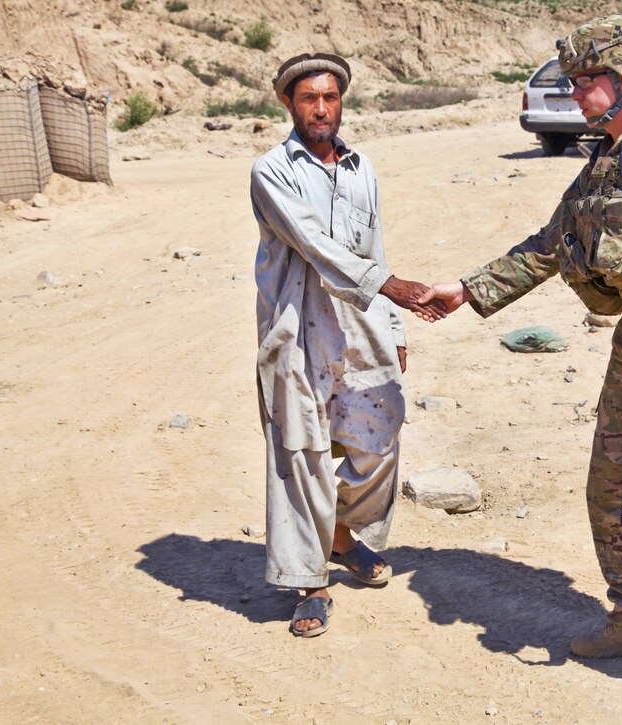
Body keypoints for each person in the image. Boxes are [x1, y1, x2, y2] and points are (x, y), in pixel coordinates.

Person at [420, 13, 622, 724]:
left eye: (587, 78)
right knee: (614, 483)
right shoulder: (607, 156)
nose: (576, 90)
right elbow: (550, 244)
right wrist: (469, 288)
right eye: (571, 79)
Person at [250, 52, 445, 638]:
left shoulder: (362, 169)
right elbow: (314, 245)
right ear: (288, 103)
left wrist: (394, 325)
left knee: (380, 434)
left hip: (361, 324)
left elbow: (374, 249)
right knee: (302, 452)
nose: (321, 108)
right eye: (308, 98)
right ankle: (310, 582)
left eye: (330, 97)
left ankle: (337, 530)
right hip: (297, 329)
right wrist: (393, 289)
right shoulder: (272, 171)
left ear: (342, 101)